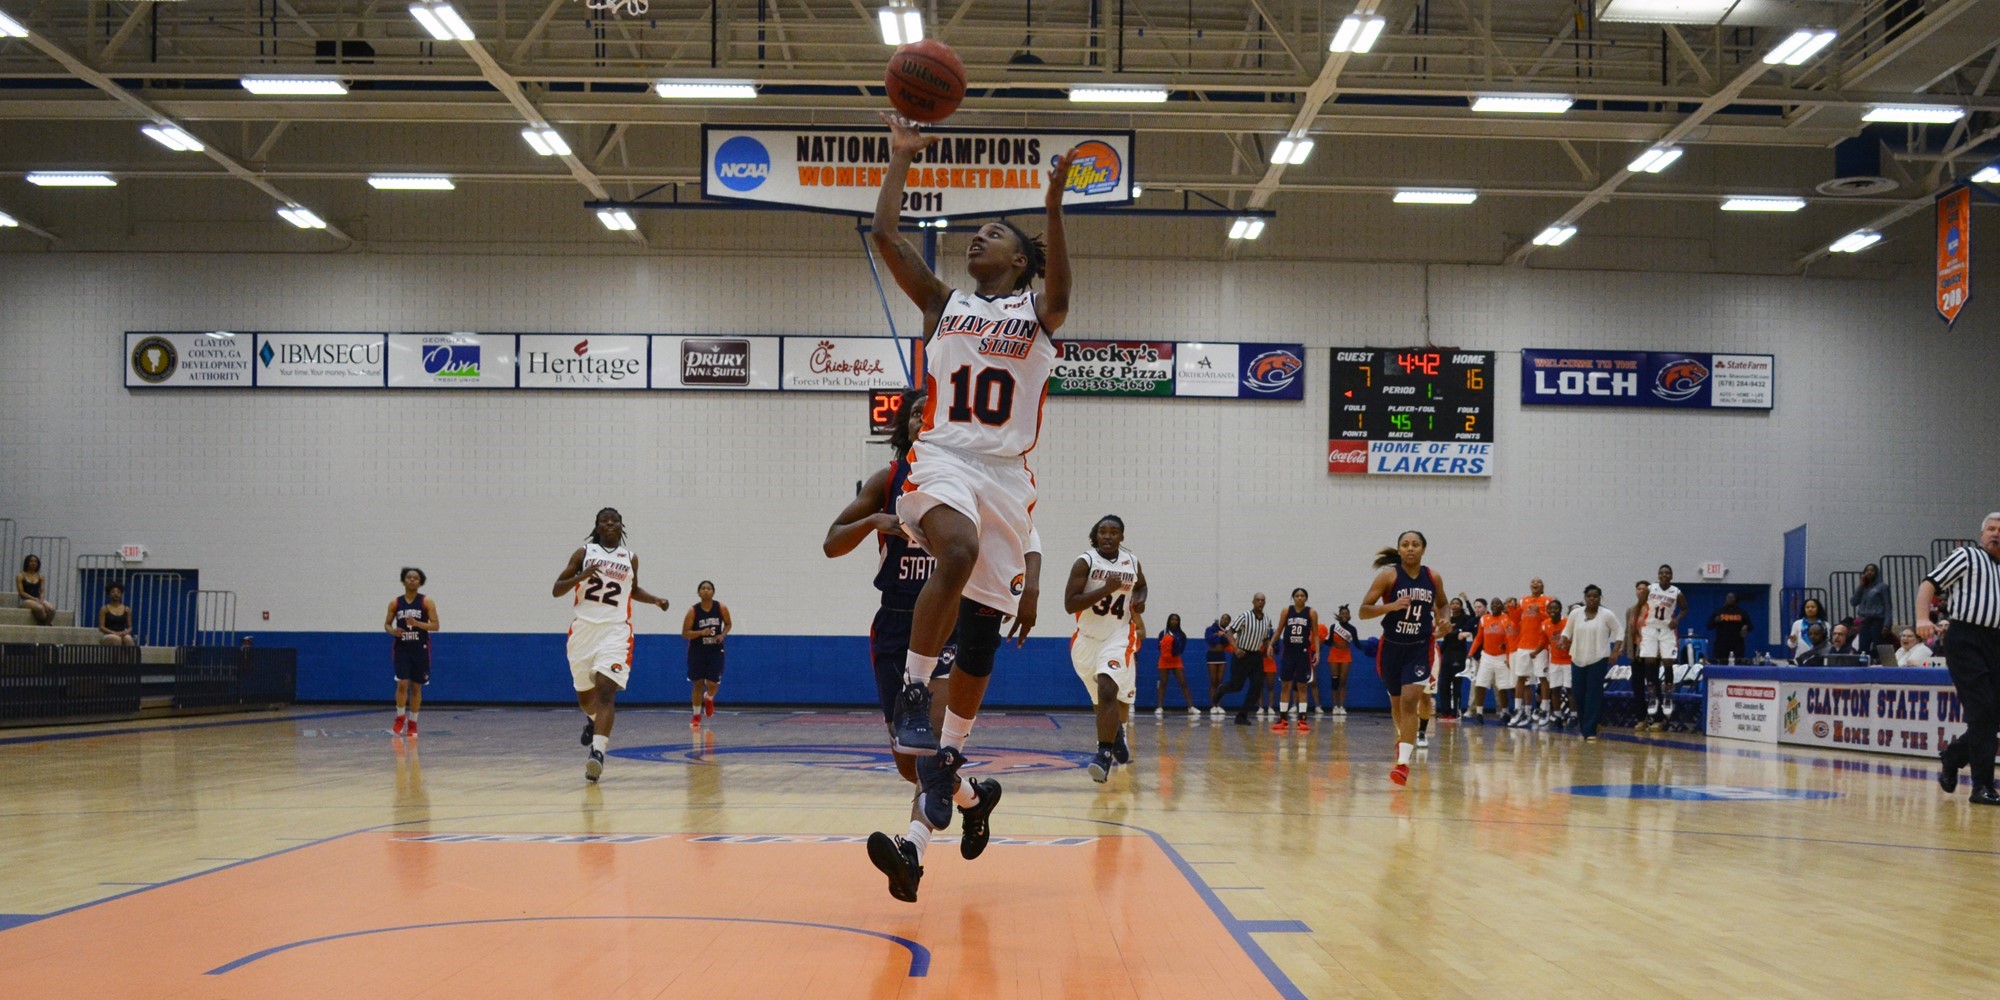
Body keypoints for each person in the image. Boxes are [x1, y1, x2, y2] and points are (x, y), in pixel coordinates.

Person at [864, 115, 1072, 903]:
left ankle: (950, 811)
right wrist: (899, 160)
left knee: (981, 642)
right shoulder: (945, 304)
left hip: (1007, 478)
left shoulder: (1037, 316)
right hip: (946, 459)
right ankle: (917, 691)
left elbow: (1061, 289)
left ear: (1018, 260)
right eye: (974, 233)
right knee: (949, 551)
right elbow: (886, 235)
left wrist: (1052, 203)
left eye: (993, 235)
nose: (977, 240)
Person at [823, 389, 997, 869]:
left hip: (947, 621)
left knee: (931, 744)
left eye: (934, 411)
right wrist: (879, 519)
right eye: (918, 412)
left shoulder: (970, 479)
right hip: (895, 624)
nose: (926, 418)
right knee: (909, 762)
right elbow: (831, 544)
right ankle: (972, 800)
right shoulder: (889, 479)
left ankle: (911, 853)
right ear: (905, 426)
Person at [552, 507, 672, 783]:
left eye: (614, 520)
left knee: (606, 691)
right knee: (586, 698)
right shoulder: (583, 554)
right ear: (597, 525)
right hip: (583, 631)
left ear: (621, 526)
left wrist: (655, 599)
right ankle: (593, 721)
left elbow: (634, 590)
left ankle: (597, 754)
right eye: (604, 520)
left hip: (616, 631)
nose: (609, 524)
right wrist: (581, 577)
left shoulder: (630, 558)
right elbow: (557, 588)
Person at [1922, 514, 2000, 805]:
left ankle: (1953, 756)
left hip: (1996, 640)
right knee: (1982, 709)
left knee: (1992, 714)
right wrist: (1921, 618)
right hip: (1966, 637)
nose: (1996, 534)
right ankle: (1982, 786)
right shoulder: (1966, 556)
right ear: (1981, 534)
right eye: (1991, 529)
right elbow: (1929, 583)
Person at [1359, 530, 1446, 786]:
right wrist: (1390, 606)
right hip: (1392, 648)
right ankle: (1402, 741)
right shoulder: (1388, 576)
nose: (1410, 548)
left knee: (1410, 702)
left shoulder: (1433, 577)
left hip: (1420, 646)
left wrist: (1444, 621)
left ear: (1423, 549)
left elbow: (1442, 605)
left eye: (1415, 544)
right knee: (1397, 704)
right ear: (1399, 550)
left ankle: (1403, 764)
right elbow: (1363, 611)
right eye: (1405, 545)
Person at [1066, 515, 1145, 781]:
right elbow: (1070, 604)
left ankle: (1103, 754)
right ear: (1096, 535)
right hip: (1086, 640)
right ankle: (1117, 733)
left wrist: (1138, 600)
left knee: (1109, 689)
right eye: (1103, 532)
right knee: (1102, 703)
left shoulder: (1131, 561)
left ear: (1122, 537)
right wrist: (1106, 590)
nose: (1108, 536)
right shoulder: (1085, 562)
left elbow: (1142, 587)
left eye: (1114, 532)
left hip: (1118, 635)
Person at [1559, 585, 1624, 741]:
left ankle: (1590, 731)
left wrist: (1615, 651)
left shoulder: (1606, 614)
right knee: (1578, 694)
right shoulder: (1575, 614)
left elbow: (1619, 630)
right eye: (1589, 596)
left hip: (1598, 659)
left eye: (1595, 596)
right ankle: (1585, 725)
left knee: (1593, 695)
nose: (1592, 599)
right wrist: (1563, 639)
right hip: (1578, 658)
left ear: (1600, 598)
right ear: (1585, 598)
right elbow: (1567, 631)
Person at [382, 567, 438, 736]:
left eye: (415, 578)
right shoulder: (395, 603)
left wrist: (418, 623)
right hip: (402, 649)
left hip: (420, 649)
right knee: (402, 684)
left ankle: (413, 723)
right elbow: (387, 624)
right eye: (409, 577)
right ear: (403, 581)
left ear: (420, 582)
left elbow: (435, 626)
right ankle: (400, 718)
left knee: (416, 687)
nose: (412, 580)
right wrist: (392, 631)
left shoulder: (427, 602)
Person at [1635, 565, 1685, 731]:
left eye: (1667, 573)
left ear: (1671, 576)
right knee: (1649, 660)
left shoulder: (1676, 592)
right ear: (1658, 575)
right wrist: (1639, 621)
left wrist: (1677, 619)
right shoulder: (1651, 588)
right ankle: (1652, 696)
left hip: (1666, 629)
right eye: (1662, 572)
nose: (1664, 575)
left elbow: (1685, 609)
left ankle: (1668, 696)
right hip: (1650, 628)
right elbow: (1640, 604)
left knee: (1668, 662)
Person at [1214, 594, 1275, 725]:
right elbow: (1229, 632)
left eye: (1262, 600)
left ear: (1265, 602)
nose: (1260, 602)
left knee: (1257, 686)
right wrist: (1235, 649)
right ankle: (1221, 690)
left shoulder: (1267, 619)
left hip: (1256, 656)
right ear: (1253, 602)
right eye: (1257, 600)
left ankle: (1242, 715)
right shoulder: (1245, 616)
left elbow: (1265, 638)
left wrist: (1269, 647)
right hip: (1242, 654)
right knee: (1237, 686)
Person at [682, 581, 732, 728]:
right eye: (703, 588)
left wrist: (722, 635)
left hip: (715, 650)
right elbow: (685, 633)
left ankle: (709, 698)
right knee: (697, 683)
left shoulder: (721, 608)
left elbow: (728, 624)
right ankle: (696, 716)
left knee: (712, 683)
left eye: (708, 588)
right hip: (697, 651)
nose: (705, 591)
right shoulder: (693, 611)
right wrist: (700, 632)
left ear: (713, 592)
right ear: (698, 593)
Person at [1272, 589, 1318, 732]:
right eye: (1297, 596)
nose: (1299, 598)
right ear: (1293, 598)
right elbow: (1279, 629)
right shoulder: (1287, 611)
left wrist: (1317, 652)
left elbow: (1315, 635)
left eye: (1302, 596)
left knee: (1302, 686)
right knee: (1285, 685)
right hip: (1288, 652)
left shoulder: (1311, 612)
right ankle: (1283, 719)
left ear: (1306, 598)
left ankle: (1302, 719)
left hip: (1303, 653)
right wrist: (1271, 644)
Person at [1513, 580, 1555, 727]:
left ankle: (1544, 709)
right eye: (1533, 582)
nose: (1535, 584)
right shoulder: (1523, 600)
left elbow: (1552, 620)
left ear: (1543, 586)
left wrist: (1541, 612)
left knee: (1543, 678)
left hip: (1540, 646)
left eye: (1539, 582)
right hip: (1523, 645)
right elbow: (1515, 619)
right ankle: (1522, 710)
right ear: (1530, 586)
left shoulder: (1548, 600)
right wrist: (1511, 609)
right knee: (1522, 679)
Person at [1466, 596, 1513, 724]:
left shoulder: (1506, 619)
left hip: (1501, 657)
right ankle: (1479, 713)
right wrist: (1470, 652)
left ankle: (1504, 712)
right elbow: (1478, 638)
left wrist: (1508, 657)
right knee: (1480, 684)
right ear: (1490, 607)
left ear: (1502, 606)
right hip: (1486, 656)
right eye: (1493, 604)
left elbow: (1509, 640)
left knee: (1502, 687)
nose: (1495, 606)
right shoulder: (1484, 619)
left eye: (1498, 604)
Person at [1437, 596, 1476, 721]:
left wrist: (1467, 600)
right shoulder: (1448, 619)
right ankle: (1445, 711)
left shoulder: (1465, 619)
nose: (1454, 605)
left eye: (1457, 603)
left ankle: (1455, 712)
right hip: (1446, 653)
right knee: (1444, 684)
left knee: (1456, 685)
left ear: (1460, 606)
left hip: (1458, 654)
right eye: (1452, 603)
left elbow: (1473, 615)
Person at [1153, 614, 1199, 717]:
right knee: (1163, 682)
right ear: (1169, 621)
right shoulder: (1163, 633)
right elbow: (1158, 646)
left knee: (1183, 682)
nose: (1174, 621)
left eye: (1176, 620)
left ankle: (1190, 707)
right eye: (1172, 619)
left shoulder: (1181, 634)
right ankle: (1159, 707)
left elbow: (1182, 648)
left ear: (1179, 622)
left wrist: (1175, 649)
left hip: (1176, 659)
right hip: (1164, 660)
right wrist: (1166, 651)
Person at [1321, 605, 1356, 716]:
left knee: (1343, 681)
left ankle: (1342, 706)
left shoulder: (1352, 629)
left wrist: (1369, 649)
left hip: (1346, 655)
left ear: (1349, 615)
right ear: (1339, 615)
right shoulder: (1333, 627)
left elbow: (1358, 644)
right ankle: (1335, 706)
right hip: (1334, 654)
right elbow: (1330, 641)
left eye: (1346, 614)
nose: (1344, 615)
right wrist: (1320, 638)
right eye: (1342, 613)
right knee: (1335, 681)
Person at [1544, 600, 1574, 727]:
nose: (1553, 611)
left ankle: (1574, 716)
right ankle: (1557, 715)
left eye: (1555, 608)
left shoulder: (1567, 622)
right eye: (1550, 608)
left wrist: (1569, 646)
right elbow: (1544, 641)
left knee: (1569, 689)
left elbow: (1576, 639)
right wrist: (1536, 652)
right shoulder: (1545, 624)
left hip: (1568, 661)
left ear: (1560, 609)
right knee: (1555, 689)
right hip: (1554, 661)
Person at [1853, 563, 1891, 655]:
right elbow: (1854, 602)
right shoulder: (1863, 588)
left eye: (1872, 570)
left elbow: (1887, 606)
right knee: (1863, 647)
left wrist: (1887, 624)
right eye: (1867, 570)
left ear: (1876, 573)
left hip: (1878, 621)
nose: (1869, 572)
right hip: (1865, 621)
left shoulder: (1882, 587)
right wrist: (1861, 586)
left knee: (1878, 647)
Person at [1705, 592, 1753, 664]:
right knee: (1720, 664)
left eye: (1732, 598)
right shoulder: (1719, 611)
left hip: (1737, 645)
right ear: (1726, 599)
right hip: (1721, 645)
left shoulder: (1742, 612)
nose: (1730, 599)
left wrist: (1746, 627)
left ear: (1735, 599)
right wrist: (1715, 621)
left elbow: (1750, 626)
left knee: (1737, 664)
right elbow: (1709, 626)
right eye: (1728, 598)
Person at [1204, 613, 1233, 719]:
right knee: (1213, 680)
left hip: (1221, 656)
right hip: (1212, 655)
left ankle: (1219, 704)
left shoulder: (1227, 632)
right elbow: (1209, 640)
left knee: (1220, 681)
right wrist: (1218, 635)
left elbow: (1228, 643)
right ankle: (1213, 705)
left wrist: (1225, 636)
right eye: (1223, 618)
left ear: (1229, 622)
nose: (1224, 621)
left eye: (1227, 620)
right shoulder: (1211, 629)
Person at [14, 554, 54, 626]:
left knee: (51, 609)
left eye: (35, 562)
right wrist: (34, 599)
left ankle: (45, 625)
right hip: (26, 600)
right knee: (40, 608)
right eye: (31, 561)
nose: (33, 563)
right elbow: (21, 593)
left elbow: (42, 591)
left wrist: (41, 600)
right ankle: (45, 622)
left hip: (37, 598)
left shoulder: (40, 576)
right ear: (27, 563)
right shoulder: (20, 576)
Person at [97, 581, 136, 647]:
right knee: (116, 639)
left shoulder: (126, 609)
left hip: (122, 633)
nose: (116, 594)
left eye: (118, 592)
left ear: (121, 594)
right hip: (108, 634)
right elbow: (101, 627)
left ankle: (132, 656)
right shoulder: (104, 609)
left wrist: (126, 632)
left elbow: (130, 627)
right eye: (113, 592)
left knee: (128, 638)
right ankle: (116, 657)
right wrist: (114, 633)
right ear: (109, 594)